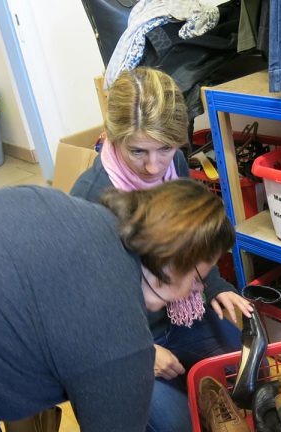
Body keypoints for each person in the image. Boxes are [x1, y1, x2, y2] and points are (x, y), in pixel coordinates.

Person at [0, 180, 235, 432]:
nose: (195, 290)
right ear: (177, 262)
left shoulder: (60, 204)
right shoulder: (117, 333)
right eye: (198, 278)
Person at [71, 66, 251, 431]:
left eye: (165, 149)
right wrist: (141, 351)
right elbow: (79, 312)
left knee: (246, 372)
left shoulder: (176, 164)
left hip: (179, 315)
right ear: (113, 138)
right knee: (179, 423)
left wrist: (214, 285)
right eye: (137, 151)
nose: (153, 166)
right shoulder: (90, 199)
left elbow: (191, 240)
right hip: (123, 338)